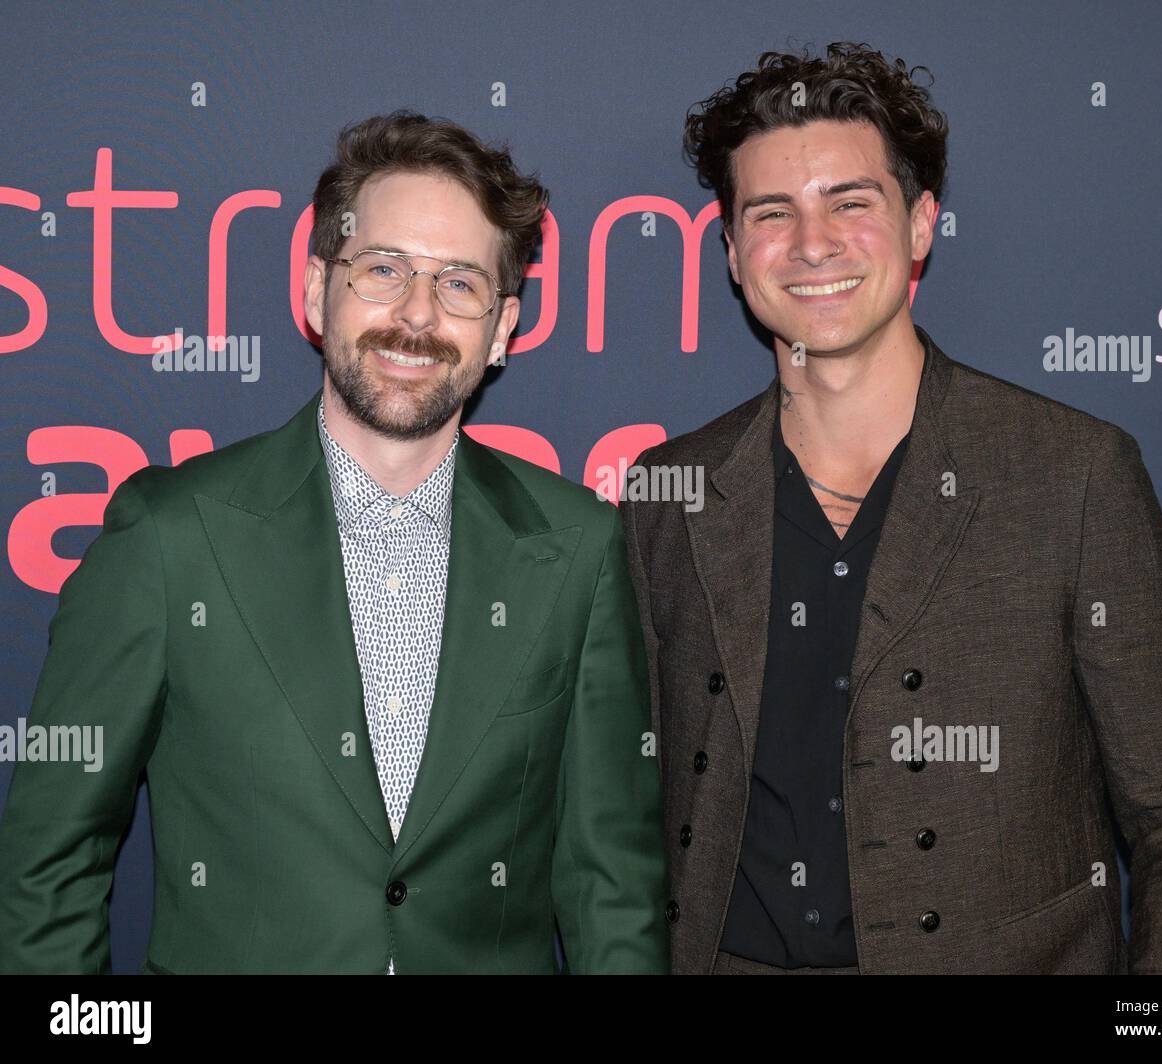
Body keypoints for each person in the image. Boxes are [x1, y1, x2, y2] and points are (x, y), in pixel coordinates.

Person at [620, 43, 1162, 975]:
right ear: (732, 255)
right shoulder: (667, 495)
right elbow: (624, 818)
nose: (813, 244)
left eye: (850, 203)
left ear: (920, 226)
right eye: (772, 213)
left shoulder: (1073, 473)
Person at [0, 111, 668, 975]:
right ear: (318, 292)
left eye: (460, 283)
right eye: (383, 269)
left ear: (503, 330)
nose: (417, 314)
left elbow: (611, 883)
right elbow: (50, 863)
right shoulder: (170, 534)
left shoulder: (575, 545)